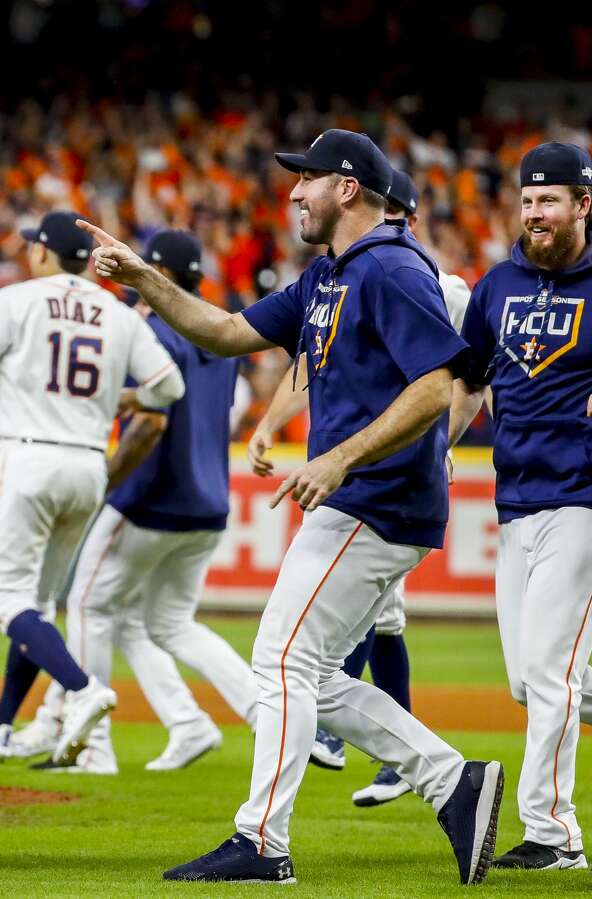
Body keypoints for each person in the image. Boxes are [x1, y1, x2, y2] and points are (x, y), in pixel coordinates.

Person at [80, 130, 502, 886]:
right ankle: (453, 781)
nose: (294, 193)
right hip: (365, 499)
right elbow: (225, 332)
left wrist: (338, 457)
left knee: (279, 661)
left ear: (347, 187)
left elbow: (438, 385)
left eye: (305, 179)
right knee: (310, 672)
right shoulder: (327, 273)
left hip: (375, 499)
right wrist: (144, 277)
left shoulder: (392, 267)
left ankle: (262, 842)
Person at [249, 169, 471, 806]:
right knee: (330, 646)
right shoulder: (340, 276)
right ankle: (438, 773)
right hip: (356, 479)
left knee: (302, 653)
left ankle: (270, 830)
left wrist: (438, 446)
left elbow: (462, 383)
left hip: (385, 483)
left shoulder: (426, 280)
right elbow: (310, 360)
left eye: (398, 211)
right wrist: (269, 422)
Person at [0, 210, 185, 767]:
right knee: (39, 605)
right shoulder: (116, 311)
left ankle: (82, 688)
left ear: (42, 252)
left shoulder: (17, 298)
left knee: (7, 602)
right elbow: (169, 387)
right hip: (88, 464)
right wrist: (124, 398)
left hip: (30, 456)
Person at [17, 229, 257, 776]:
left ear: (161, 273)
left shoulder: (152, 330)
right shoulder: (217, 328)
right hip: (208, 500)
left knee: (87, 607)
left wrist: (104, 483)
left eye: (145, 266)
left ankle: (93, 747)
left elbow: (150, 422)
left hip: (152, 498)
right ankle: (212, 720)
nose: (134, 272)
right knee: (155, 622)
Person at [450, 141, 592, 872]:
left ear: (583, 205)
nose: (536, 212)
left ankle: (554, 834)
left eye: (550, 200)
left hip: (581, 500)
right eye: (528, 200)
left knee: (548, 674)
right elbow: (469, 380)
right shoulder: (496, 285)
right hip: (514, 502)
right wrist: (438, 446)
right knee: (529, 680)